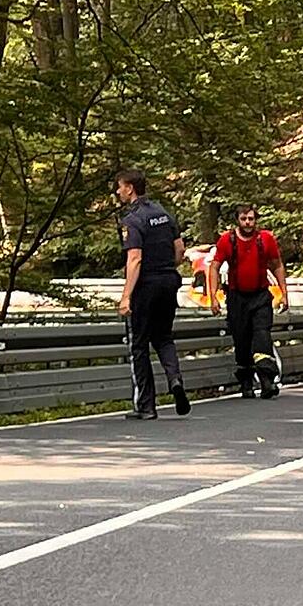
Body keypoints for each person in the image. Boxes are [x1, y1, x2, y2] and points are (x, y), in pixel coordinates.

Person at [113, 169, 189, 421]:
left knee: (139, 344)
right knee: (164, 337)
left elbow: (134, 259)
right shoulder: (163, 213)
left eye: (120, 187)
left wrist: (126, 296)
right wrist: (168, 267)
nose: (118, 191)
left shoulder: (133, 219)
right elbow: (180, 249)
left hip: (146, 285)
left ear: (130, 188)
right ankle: (175, 379)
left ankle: (146, 405)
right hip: (168, 280)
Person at [206, 205, 288, 399]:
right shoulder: (228, 240)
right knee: (241, 340)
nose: (248, 223)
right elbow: (214, 267)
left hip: (260, 296)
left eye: (251, 219)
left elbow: (277, 265)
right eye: (244, 219)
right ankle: (246, 381)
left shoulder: (265, 239)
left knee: (262, 336)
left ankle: (267, 380)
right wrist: (213, 297)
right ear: (238, 220)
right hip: (237, 298)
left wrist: (284, 293)